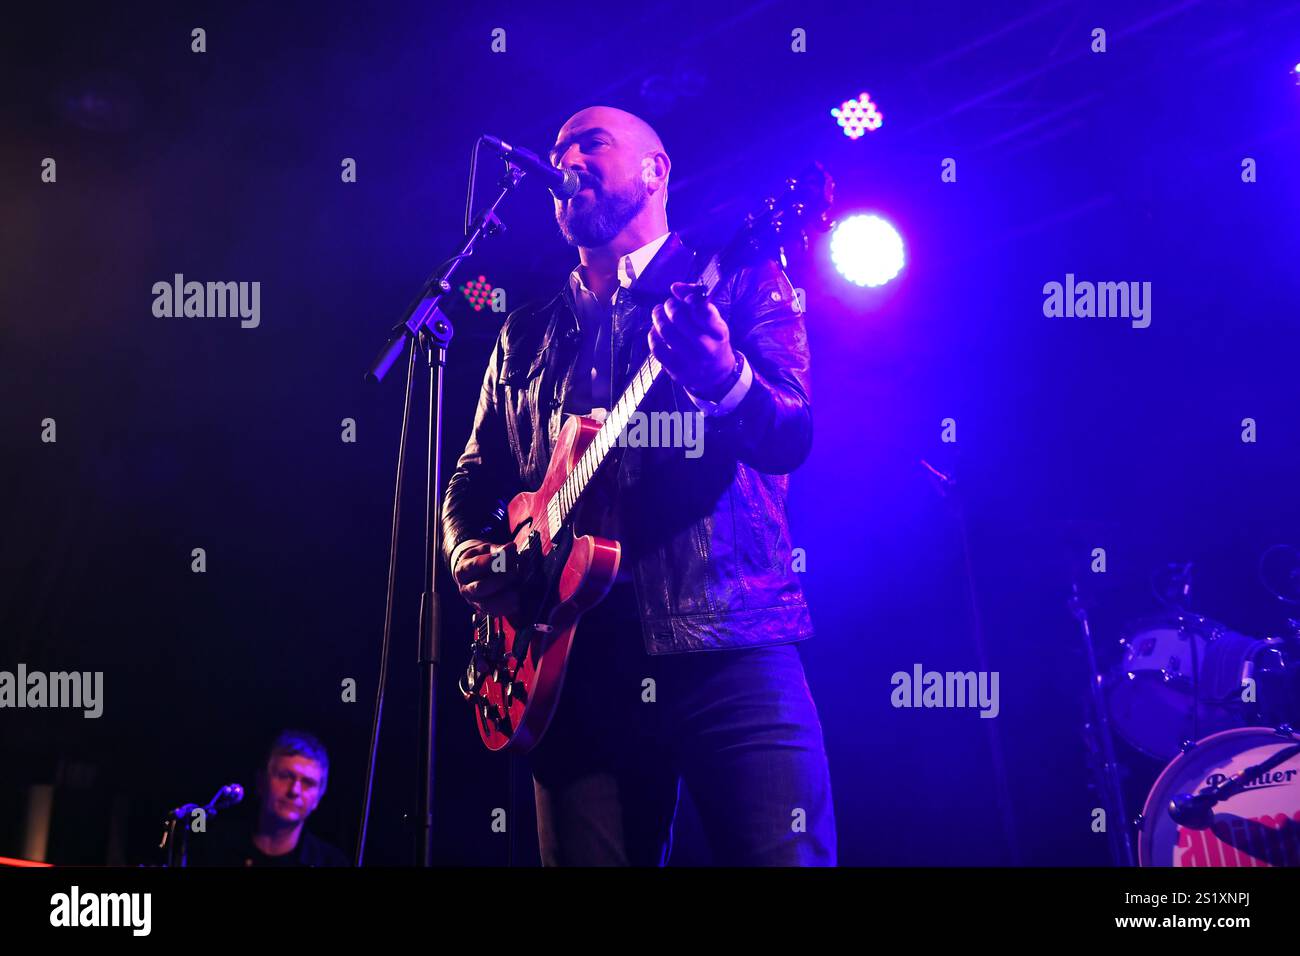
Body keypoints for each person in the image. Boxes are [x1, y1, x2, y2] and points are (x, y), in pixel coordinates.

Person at [443, 106, 836, 866]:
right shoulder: (523, 331)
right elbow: (473, 473)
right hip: (571, 664)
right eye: (559, 150)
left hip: (728, 639)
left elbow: (790, 434)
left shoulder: (742, 280)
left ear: (656, 171)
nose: (568, 159)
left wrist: (724, 379)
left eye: (592, 143)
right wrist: (467, 552)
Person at [187, 730, 348, 867]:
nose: (294, 791)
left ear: (318, 798)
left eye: (308, 783)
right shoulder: (215, 849)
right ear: (261, 782)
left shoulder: (331, 863)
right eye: (285, 776)